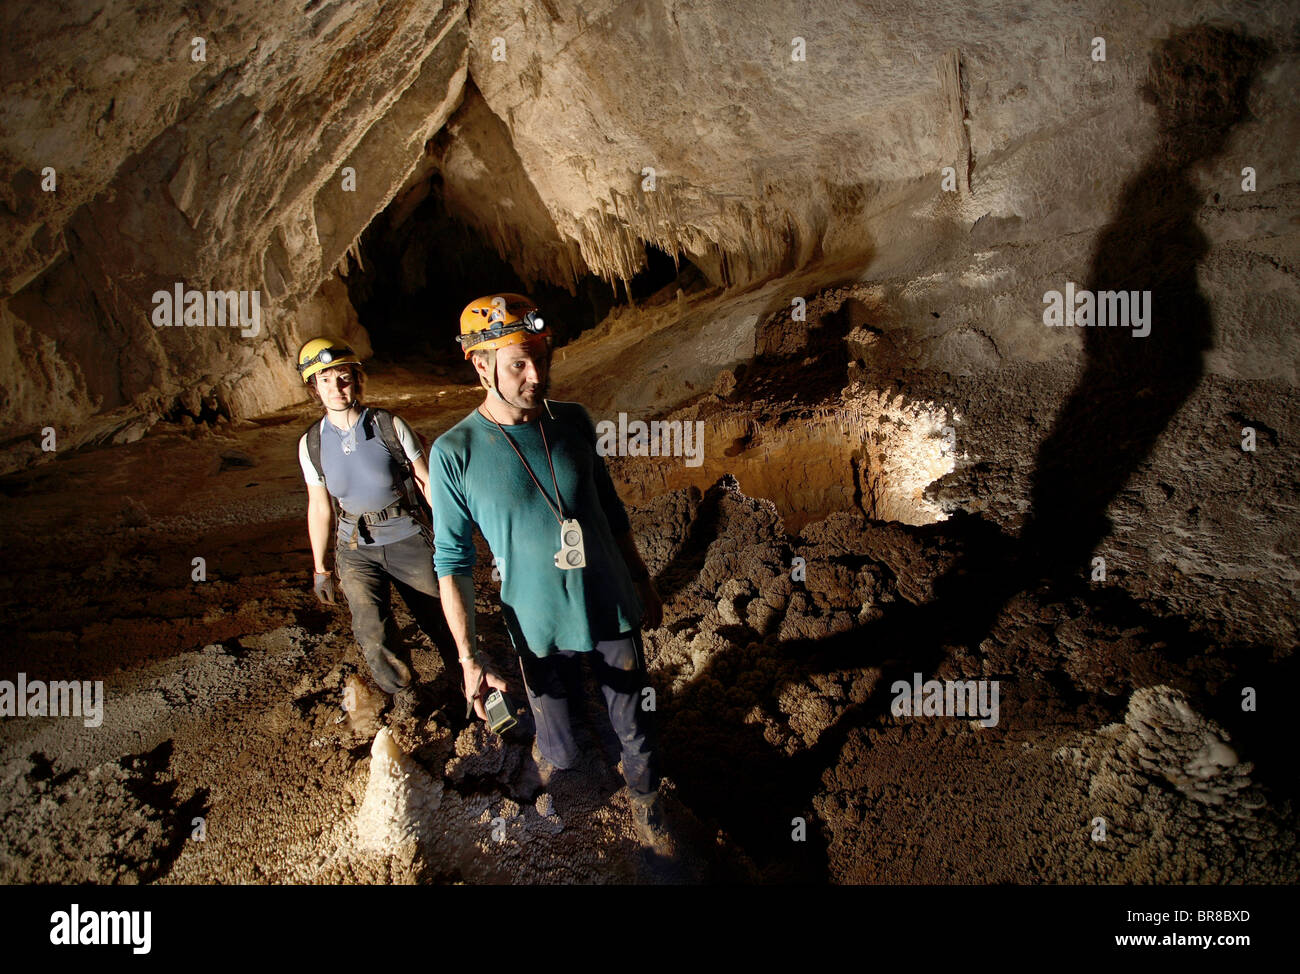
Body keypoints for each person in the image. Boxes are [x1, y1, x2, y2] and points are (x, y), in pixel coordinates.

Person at [429, 294, 672, 851]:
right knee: (556, 738)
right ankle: (562, 766)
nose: (536, 374)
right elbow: (453, 562)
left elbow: (610, 510)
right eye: (519, 361)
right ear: (480, 364)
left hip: (607, 602)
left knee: (634, 722)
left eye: (542, 355)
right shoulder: (454, 453)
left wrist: (640, 577)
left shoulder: (573, 421)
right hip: (535, 625)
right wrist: (468, 657)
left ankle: (645, 799)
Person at [295, 337, 451, 697]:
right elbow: (319, 506)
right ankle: (405, 697)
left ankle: (467, 684)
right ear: (314, 388)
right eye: (325, 380)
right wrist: (320, 567)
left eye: (344, 377)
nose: (336, 387)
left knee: (440, 620)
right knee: (372, 632)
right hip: (355, 547)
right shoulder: (311, 444)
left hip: (407, 537)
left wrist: (446, 537)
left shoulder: (388, 426)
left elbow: (426, 482)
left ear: (356, 380)